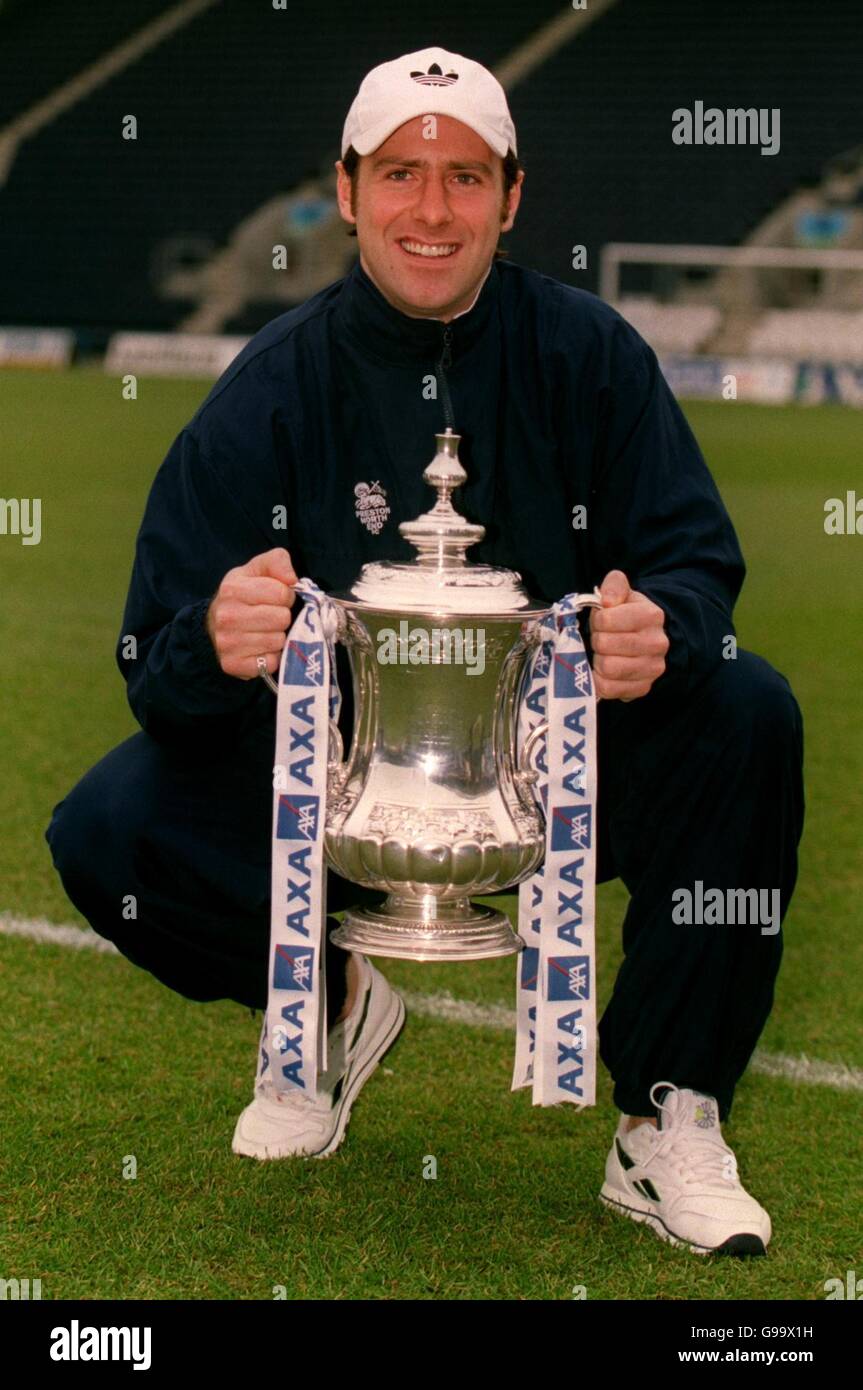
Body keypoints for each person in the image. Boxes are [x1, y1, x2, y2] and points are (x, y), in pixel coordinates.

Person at [46, 48, 804, 1257]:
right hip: (343, 795)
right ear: (345, 192)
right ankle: (329, 1013)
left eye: (465, 176)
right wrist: (216, 638)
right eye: (400, 173)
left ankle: (669, 1111)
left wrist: (657, 626)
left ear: (512, 195)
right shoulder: (272, 387)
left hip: (553, 780)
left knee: (749, 710)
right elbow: (157, 663)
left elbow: (697, 570)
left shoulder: (591, 357)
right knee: (103, 828)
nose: (432, 209)